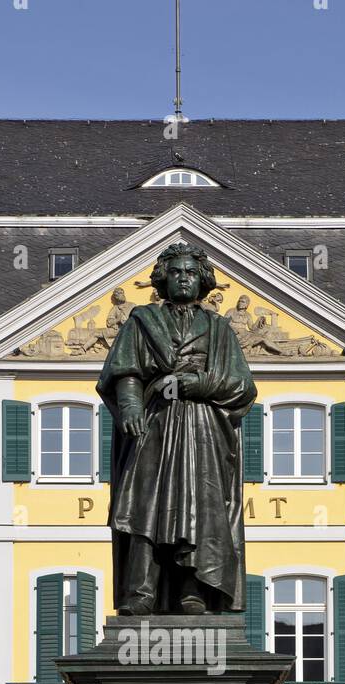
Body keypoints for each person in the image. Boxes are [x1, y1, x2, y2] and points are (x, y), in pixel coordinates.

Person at [97, 241, 256, 615]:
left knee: (200, 508)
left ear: (202, 280)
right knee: (143, 506)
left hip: (203, 430)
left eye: (189, 272)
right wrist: (132, 406)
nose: (182, 278)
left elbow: (242, 385)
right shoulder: (141, 320)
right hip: (155, 424)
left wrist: (197, 384)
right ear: (162, 279)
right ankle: (140, 591)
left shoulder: (219, 328)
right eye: (175, 272)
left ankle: (194, 589)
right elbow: (125, 370)